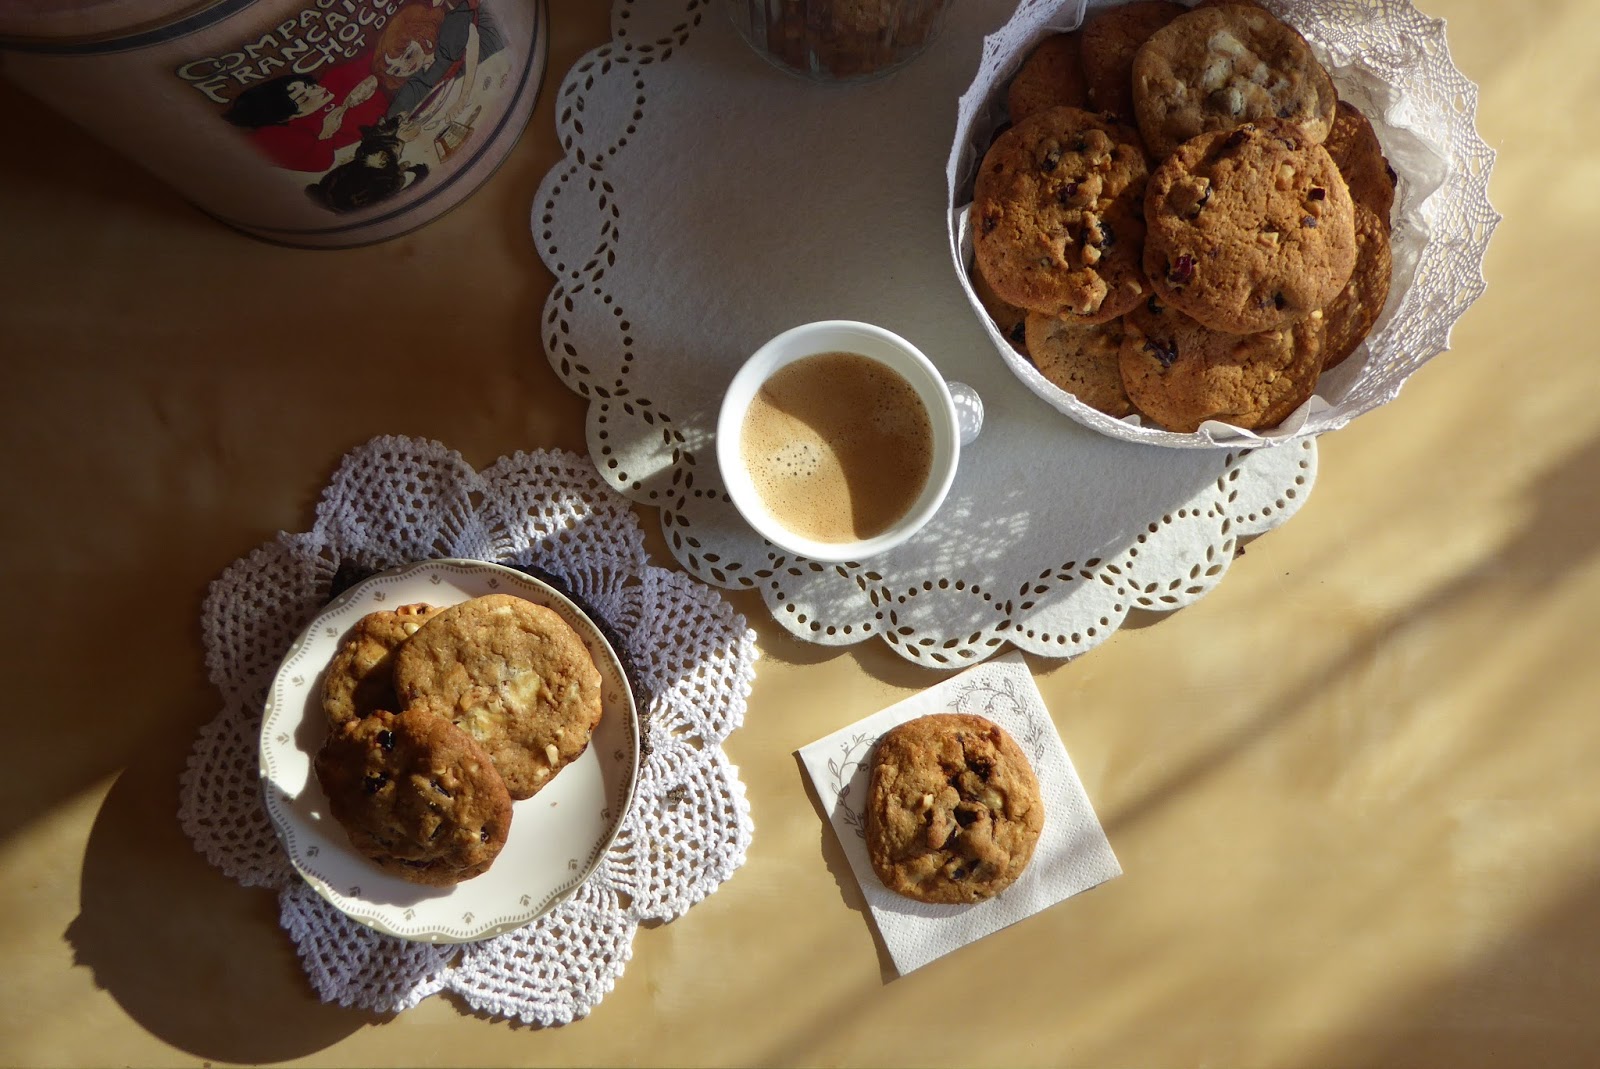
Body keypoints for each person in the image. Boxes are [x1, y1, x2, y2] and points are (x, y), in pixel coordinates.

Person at [222, 57, 388, 173]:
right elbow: (320, 164)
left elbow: (378, 58)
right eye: (304, 98)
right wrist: (326, 134)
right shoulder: (283, 136)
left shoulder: (333, 79)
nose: (318, 92)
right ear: (287, 117)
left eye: (309, 86)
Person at [373, 1, 505, 135]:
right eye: (396, 71)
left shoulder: (449, 29)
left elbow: (473, 42)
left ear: (419, 36)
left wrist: (462, 99)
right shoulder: (419, 73)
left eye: (408, 56)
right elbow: (401, 103)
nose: (406, 68)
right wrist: (397, 122)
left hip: (488, 51)